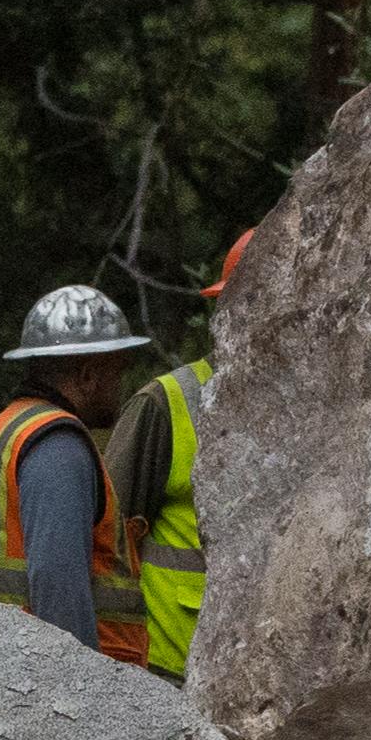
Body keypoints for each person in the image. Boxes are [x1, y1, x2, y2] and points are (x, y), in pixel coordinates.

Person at [0, 284, 152, 663]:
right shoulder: (57, 444)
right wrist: (84, 692)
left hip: (3, 668)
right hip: (58, 686)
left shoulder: (3, 431)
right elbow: (59, 591)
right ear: (88, 374)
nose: (121, 386)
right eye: (117, 370)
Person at [102, 228, 250, 680]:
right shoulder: (166, 404)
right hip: (173, 666)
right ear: (224, 310)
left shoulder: (324, 405)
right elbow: (106, 539)